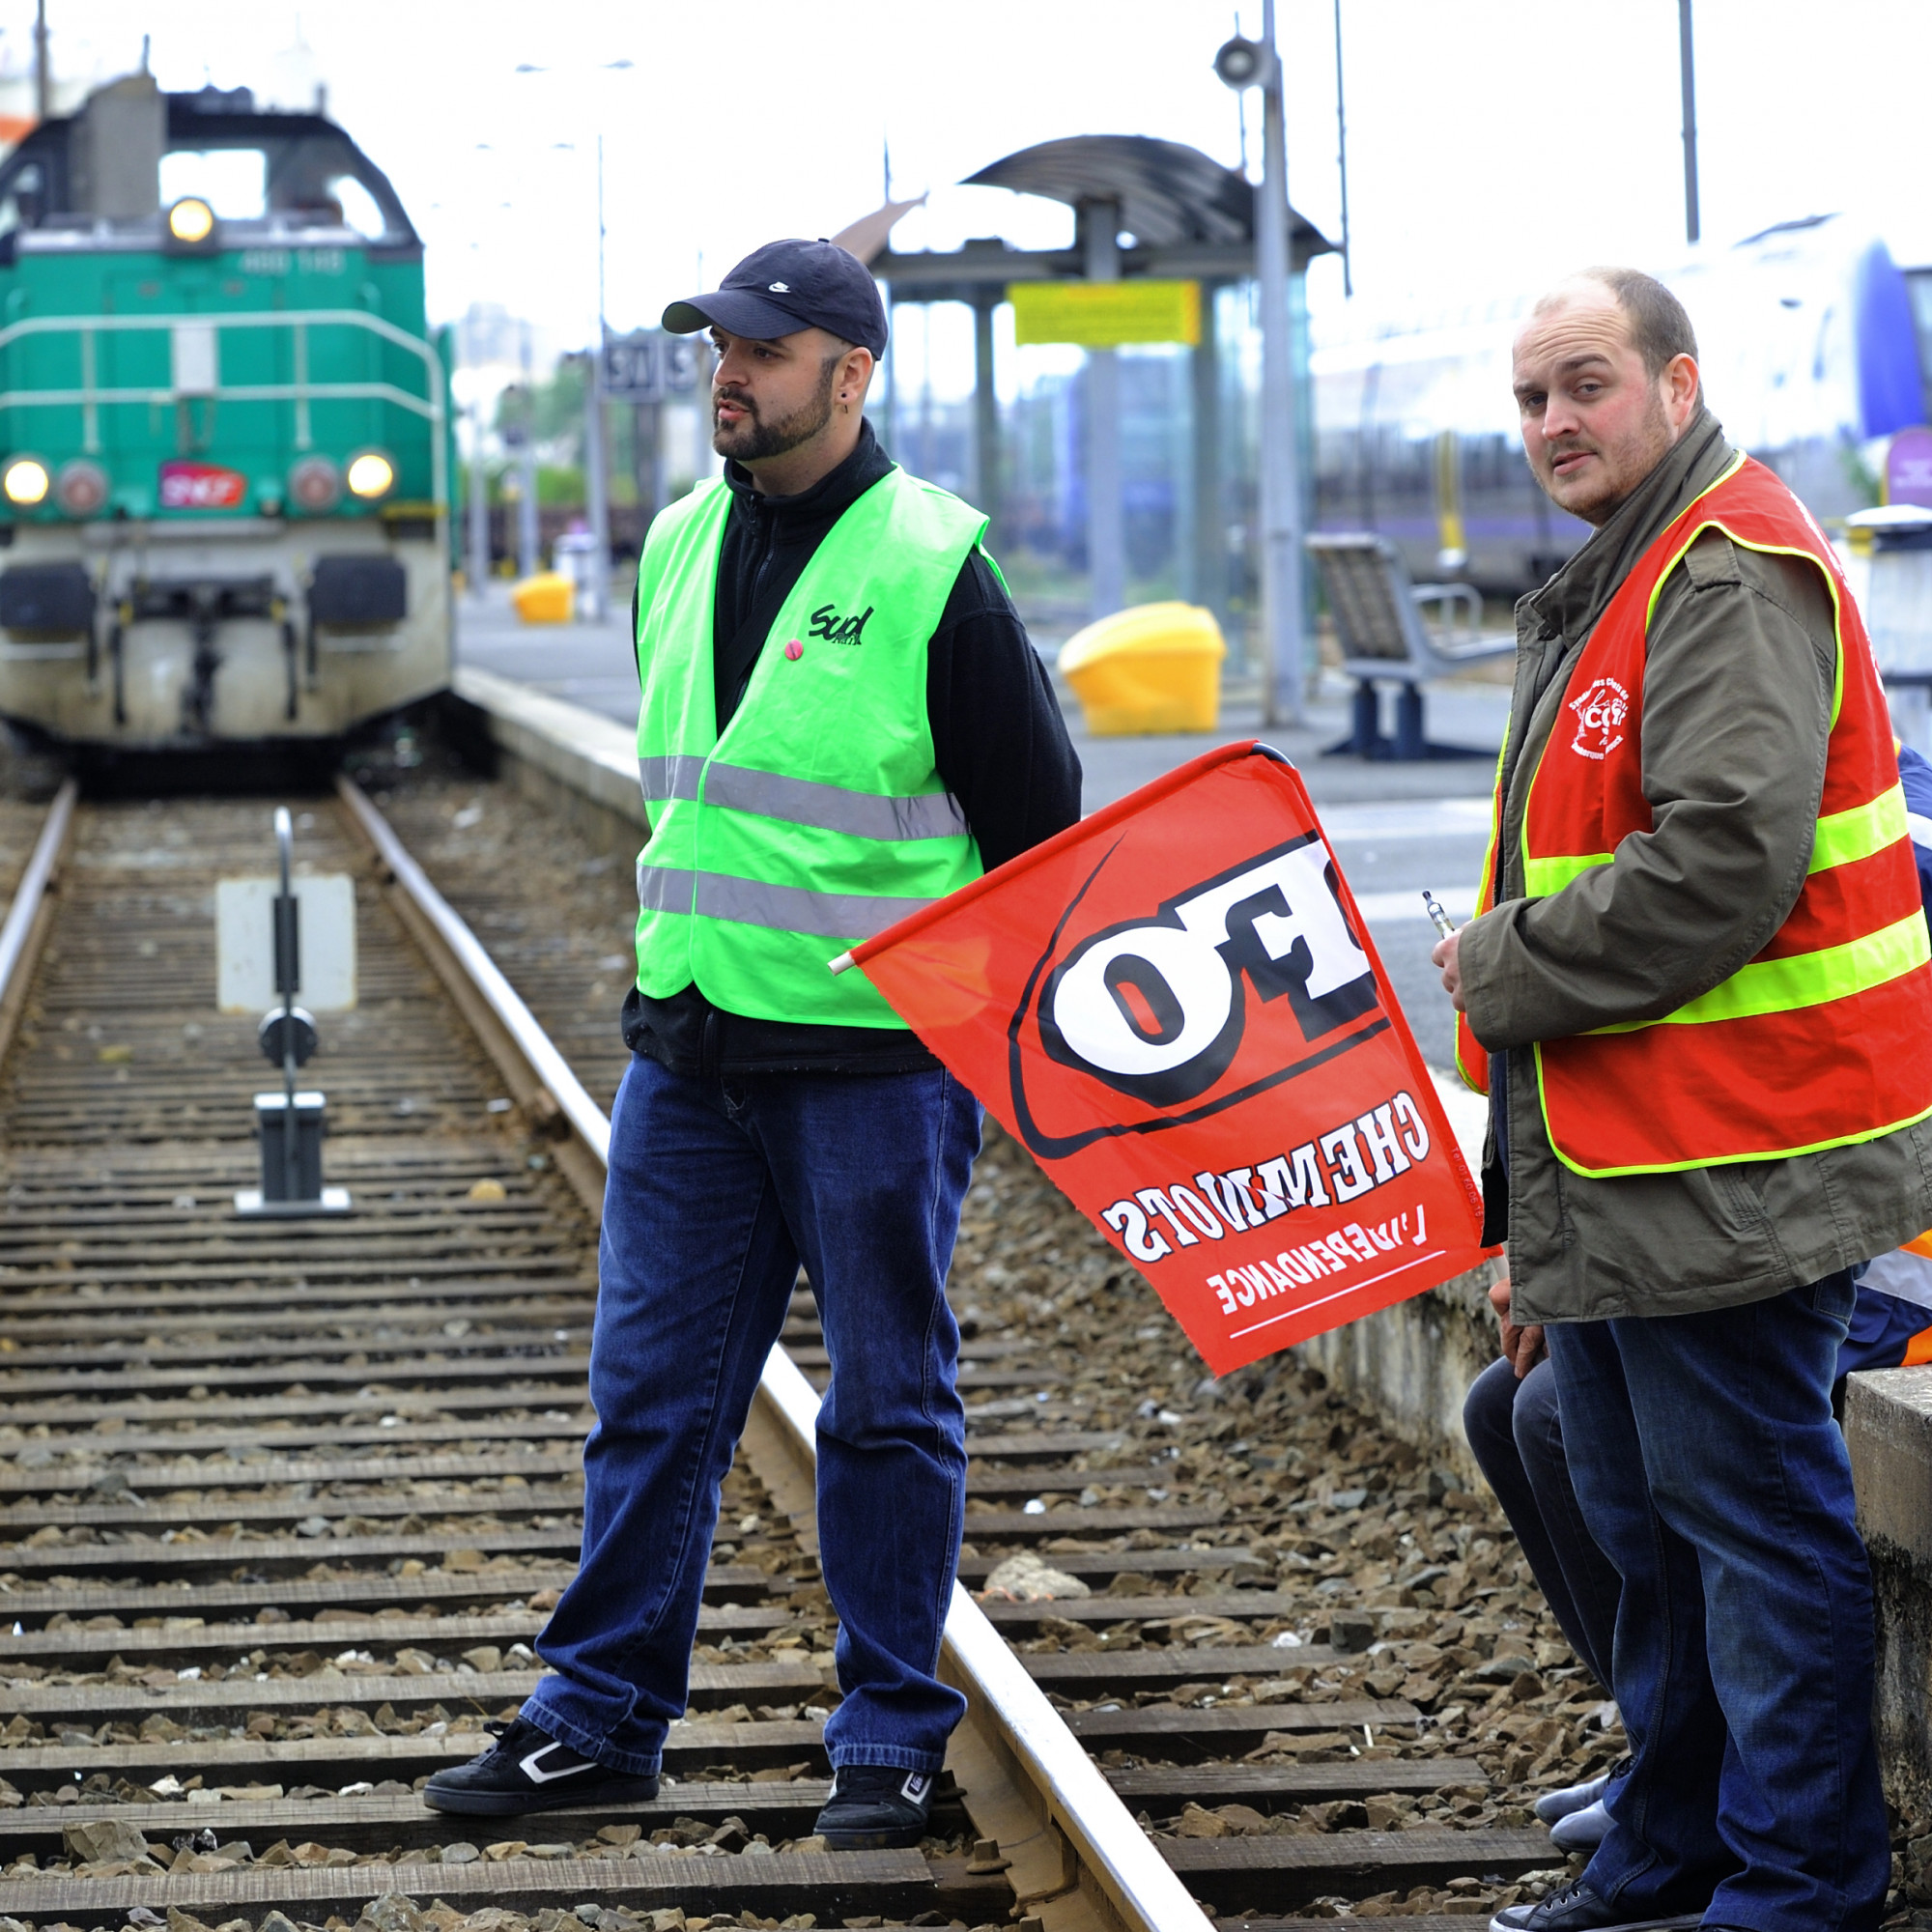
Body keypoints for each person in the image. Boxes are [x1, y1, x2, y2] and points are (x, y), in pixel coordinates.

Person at [423, 240, 1082, 1846]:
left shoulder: (938, 566)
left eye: (765, 351)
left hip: (869, 1069)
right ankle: (598, 1721)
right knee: (650, 1397)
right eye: (720, 343)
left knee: (887, 1405)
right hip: (692, 1059)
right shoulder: (675, 542)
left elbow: (1039, 831)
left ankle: (888, 1730)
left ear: (850, 377)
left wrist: (950, 1044)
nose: (730, 371)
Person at [1434, 266, 1932, 1932]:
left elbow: (1724, 858)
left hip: (1741, 1152)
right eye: (1530, 399)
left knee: (1750, 1527)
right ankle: (1679, 1839)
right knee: (1634, 1495)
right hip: (1643, 1151)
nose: (1555, 424)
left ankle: (1797, 1885)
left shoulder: (1723, 569)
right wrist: (1528, 1219)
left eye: (1585, 384)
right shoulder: (1631, 566)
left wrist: (1499, 969)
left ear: (1675, 380)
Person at [1463, 737, 1932, 1860]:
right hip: (1761, 1221)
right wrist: (1543, 1238)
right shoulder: (1653, 812)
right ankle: (1669, 1762)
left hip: (1871, 1258)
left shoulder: (1858, 857)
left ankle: (1733, 1795)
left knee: (1571, 1418)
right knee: (1509, 1404)